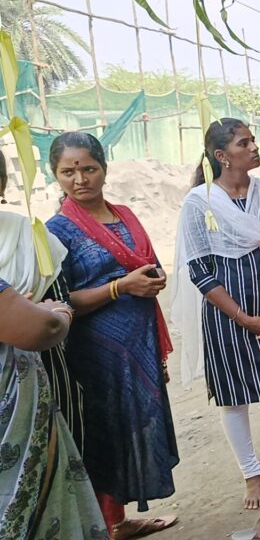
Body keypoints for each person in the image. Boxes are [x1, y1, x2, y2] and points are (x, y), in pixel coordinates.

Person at [45, 132, 178, 539]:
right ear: (56, 175)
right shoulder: (56, 230)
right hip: (95, 352)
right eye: (68, 172)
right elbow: (63, 300)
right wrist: (121, 287)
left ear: (104, 169)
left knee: (132, 427)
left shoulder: (125, 215)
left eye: (88, 168)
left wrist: (152, 280)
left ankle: (117, 522)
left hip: (137, 343)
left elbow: (147, 263)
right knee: (102, 433)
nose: (79, 179)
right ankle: (103, 525)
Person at [171, 119, 260, 510]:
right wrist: (243, 317)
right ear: (222, 157)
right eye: (245, 143)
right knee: (234, 398)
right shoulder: (200, 202)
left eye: (253, 140)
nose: (255, 147)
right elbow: (201, 272)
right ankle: (252, 477)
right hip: (229, 317)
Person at [0, 161, 108, 539]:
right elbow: (44, 321)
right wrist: (57, 313)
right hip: (21, 393)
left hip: (42, 377)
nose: (80, 179)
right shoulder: (44, 231)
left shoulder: (30, 235)